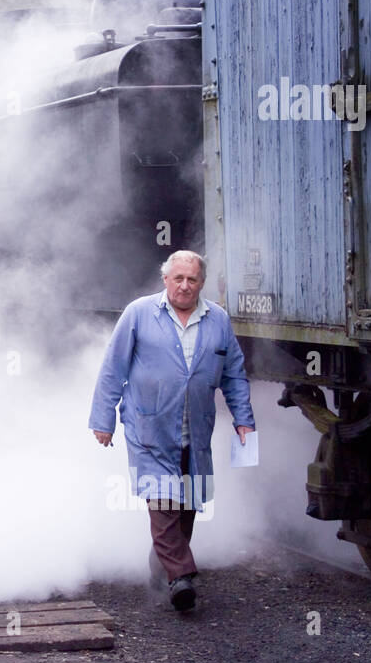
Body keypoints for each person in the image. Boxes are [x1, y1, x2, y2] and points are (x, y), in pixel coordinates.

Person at [89, 250, 254, 611]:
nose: (184, 285)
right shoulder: (139, 313)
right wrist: (104, 419)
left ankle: (160, 568)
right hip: (148, 427)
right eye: (177, 278)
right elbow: (112, 368)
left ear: (201, 283)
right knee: (163, 500)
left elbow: (234, 375)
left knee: (188, 504)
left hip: (194, 431)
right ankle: (181, 577)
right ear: (165, 280)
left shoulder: (218, 321)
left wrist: (244, 419)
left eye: (191, 279)